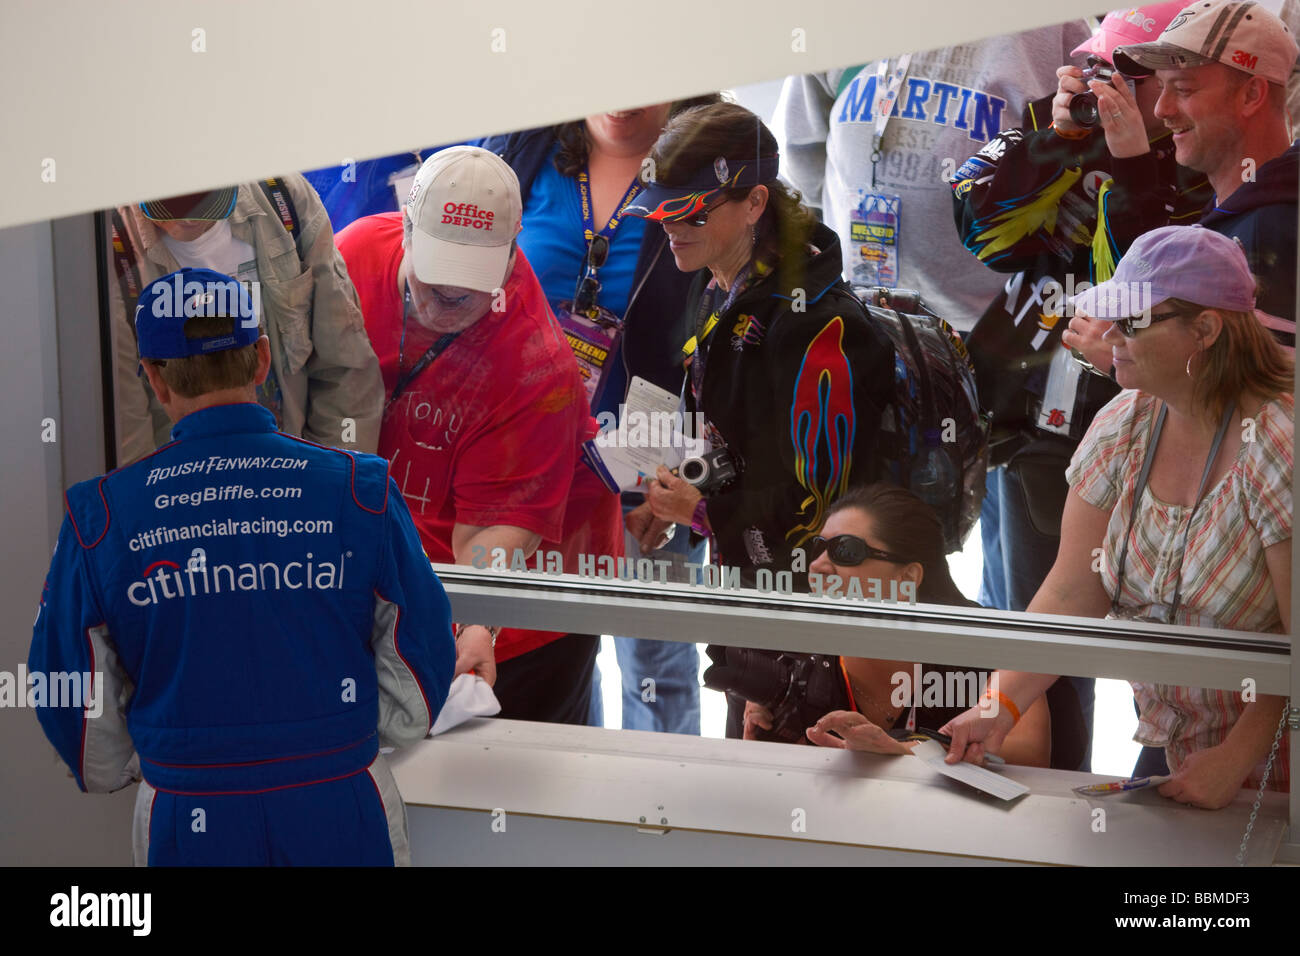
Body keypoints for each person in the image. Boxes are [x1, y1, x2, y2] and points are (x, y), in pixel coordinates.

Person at [29, 268, 454, 865]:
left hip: (186, 810)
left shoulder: (101, 515)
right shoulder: (360, 490)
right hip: (339, 800)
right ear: (260, 360)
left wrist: (159, 756)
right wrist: (340, 734)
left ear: (151, 376)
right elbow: (422, 660)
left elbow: (76, 708)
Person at [942, 226, 1293, 809]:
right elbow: (1072, 593)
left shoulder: (1281, 446)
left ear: (1205, 330)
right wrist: (997, 706)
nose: (1108, 337)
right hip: (1191, 756)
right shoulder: (1123, 424)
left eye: (1131, 323)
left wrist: (1236, 758)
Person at [950, 3, 1211, 770]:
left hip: (1150, 419)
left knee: (1144, 636)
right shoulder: (1059, 120)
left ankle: (1153, 789)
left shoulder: (1200, 159)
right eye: (1095, 67)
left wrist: (1133, 162)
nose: (1105, 89)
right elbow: (977, 226)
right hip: (1033, 417)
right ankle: (1044, 798)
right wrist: (1053, 138)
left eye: (1124, 75)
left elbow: (1145, 292)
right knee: (1034, 624)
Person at [621, 102, 896, 737]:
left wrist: (696, 508)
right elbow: (730, 433)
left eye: (687, 211)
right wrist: (669, 487)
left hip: (813, 619)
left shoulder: (817, 325)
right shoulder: (715, 279)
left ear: (754, 204)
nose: (668, 226)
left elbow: (823, 504)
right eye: (659, 208)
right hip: (747, 596)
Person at [335, 146, 623, 725]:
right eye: (436, 277)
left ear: (513, 250)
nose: (449, 299)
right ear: (406, 231)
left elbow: (488, 545)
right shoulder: (353, 254)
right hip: (408, 551)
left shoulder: (535, 368)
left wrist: (476, 622)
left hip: (525, 592)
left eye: (469, 285)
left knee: (512, 787)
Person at [476, 99, 717, 735]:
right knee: (550, 649)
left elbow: (726, 344)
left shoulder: (708, 170)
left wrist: (664, 477)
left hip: (651, 471)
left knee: (658, 667)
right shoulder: (520, 153)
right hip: (526, 469)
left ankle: (661, 819)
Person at [774, 20, 1091, 334]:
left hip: (994, 326)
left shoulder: (1053, 25)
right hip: (858, 307)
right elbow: (802, 153)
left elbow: (1086, 158)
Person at [739, 484, 1052, 767]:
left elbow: (1032, 752)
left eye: (845, 551)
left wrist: (904, 751)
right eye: (818, 548)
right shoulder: (792, 660)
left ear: (907, 578)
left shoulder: (981, 642)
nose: (818, 566)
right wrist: (772, 741)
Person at [1068, 0, 1299, 374]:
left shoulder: (1270, 232)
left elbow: (1260, 406)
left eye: (1183, 90)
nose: (1161, 109)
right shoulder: (1249, 205)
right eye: (1160, 88)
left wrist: (1121, 359)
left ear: (1251, 95)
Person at [107, 177, 386, 464]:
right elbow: (128, 438)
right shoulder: (105, 248)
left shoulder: (284, 198)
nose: (189, 218)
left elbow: (345, 370)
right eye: (169, 206)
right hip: (181, 490)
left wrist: (331, 482)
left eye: (207, 202)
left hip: (293, 475)